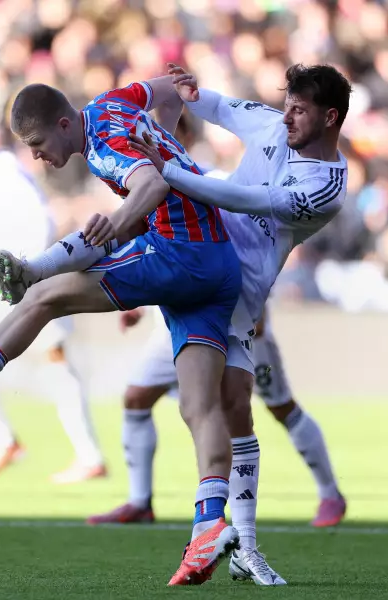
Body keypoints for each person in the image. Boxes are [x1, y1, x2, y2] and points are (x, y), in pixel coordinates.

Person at [0, 76, 244, 586]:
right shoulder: (117, 101)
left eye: (40, 145)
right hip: (219, 263)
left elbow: (151, 188)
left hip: (180, 252)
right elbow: (169, 87)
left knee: (44, 298)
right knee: (198, 405)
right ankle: (209, 525)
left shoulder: (102, 146)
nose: (39, 158)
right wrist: (162, 140)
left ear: (66, 124)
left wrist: (127, 211)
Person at [92, 62, 352, 585]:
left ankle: (251, 540)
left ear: (330, 117)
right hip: (197, 263)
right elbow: (221, 109)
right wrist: (192, 91)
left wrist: (171, 174)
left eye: (300, 110)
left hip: (239, 291)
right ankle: (214, 531)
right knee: (191, 402)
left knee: (240, 408)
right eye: (288, 105)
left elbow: (246, 199)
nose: (288, 117)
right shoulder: (277, 125)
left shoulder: (326, 186)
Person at [0, 108, 106, 484]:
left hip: (26, 273)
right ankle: (15, 442)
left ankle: (66, 452)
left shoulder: (5, 169)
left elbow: (40, 217)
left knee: (52, 358)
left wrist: (32, 269)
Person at [87, 304, 346, 530]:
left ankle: (330, 494)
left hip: (238, 329)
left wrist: (259, 312)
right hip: (176, 327)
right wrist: (141, 304)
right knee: (137, 398)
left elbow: (253, 262)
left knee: (279, 408)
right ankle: (139, 502)